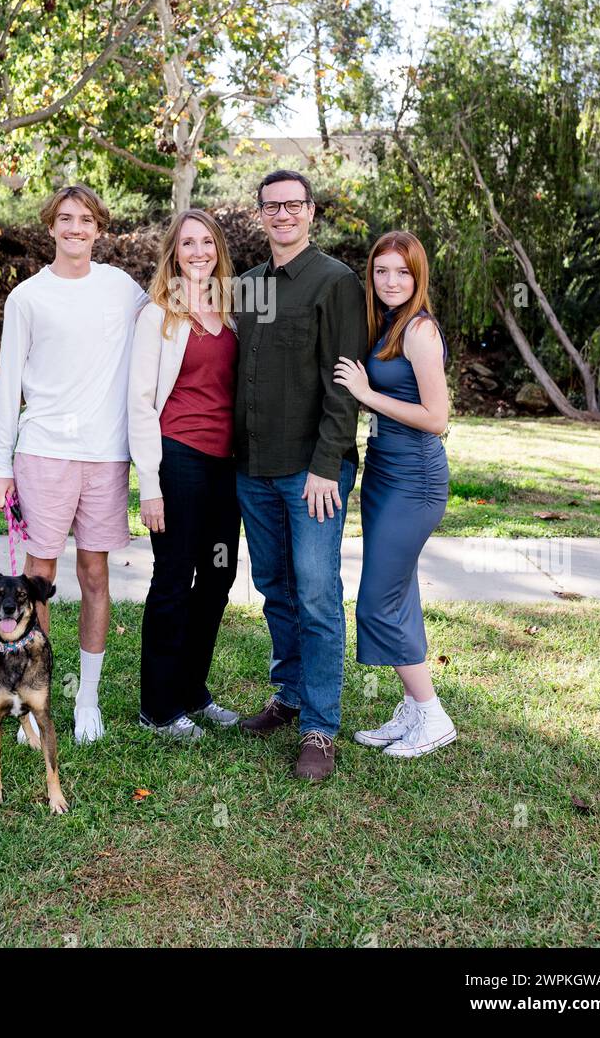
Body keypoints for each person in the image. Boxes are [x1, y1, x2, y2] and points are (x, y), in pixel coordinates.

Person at [0, 183, 147, 745]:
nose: (76, 228)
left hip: (105, 455)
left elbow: (170, 326)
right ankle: (36, 700)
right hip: (42, 452)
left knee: (95, 575)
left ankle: (88, 699)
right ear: (51, 226)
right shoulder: (28, 298)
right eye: (65, 218)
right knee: (41, 578)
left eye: (86, 220)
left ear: (99, 230)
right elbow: (8, 386)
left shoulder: (124, 290)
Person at [234, 170, 367, 781]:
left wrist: (327, 466)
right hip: (254, 469)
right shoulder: (250, 286)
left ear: (311, 211)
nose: (282, 214)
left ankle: (320, 727)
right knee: (275, 588)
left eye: (293, 205)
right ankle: (287, 696)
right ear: (260, 214)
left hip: (312, 473)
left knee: (316, 595)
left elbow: (346, 383)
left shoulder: (336, 281)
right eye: (272, 206)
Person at [334, 229, 456, 758]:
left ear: (417, 276)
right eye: (381, 271)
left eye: (401, 272)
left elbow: (437, 418)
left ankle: (432, 715)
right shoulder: (386, 323)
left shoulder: (419, 331)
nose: (390, 281)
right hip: (385, 474)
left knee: (378, 603)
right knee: (400, 593)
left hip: (417, 481)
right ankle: (412, 705)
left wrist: (366, 395)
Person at [128, 210, 241, 739]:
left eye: (207, 242)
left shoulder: (232, 311)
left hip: (227, 466)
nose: (198, 251)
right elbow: (140, 402)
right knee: (174, 579)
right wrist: (149, 486)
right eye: (187, 243)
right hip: (178, 460)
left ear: (218, 248)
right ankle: (157, 706)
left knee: (218, 578)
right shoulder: (158, 316)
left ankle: (193, 692)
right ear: (174, 253)